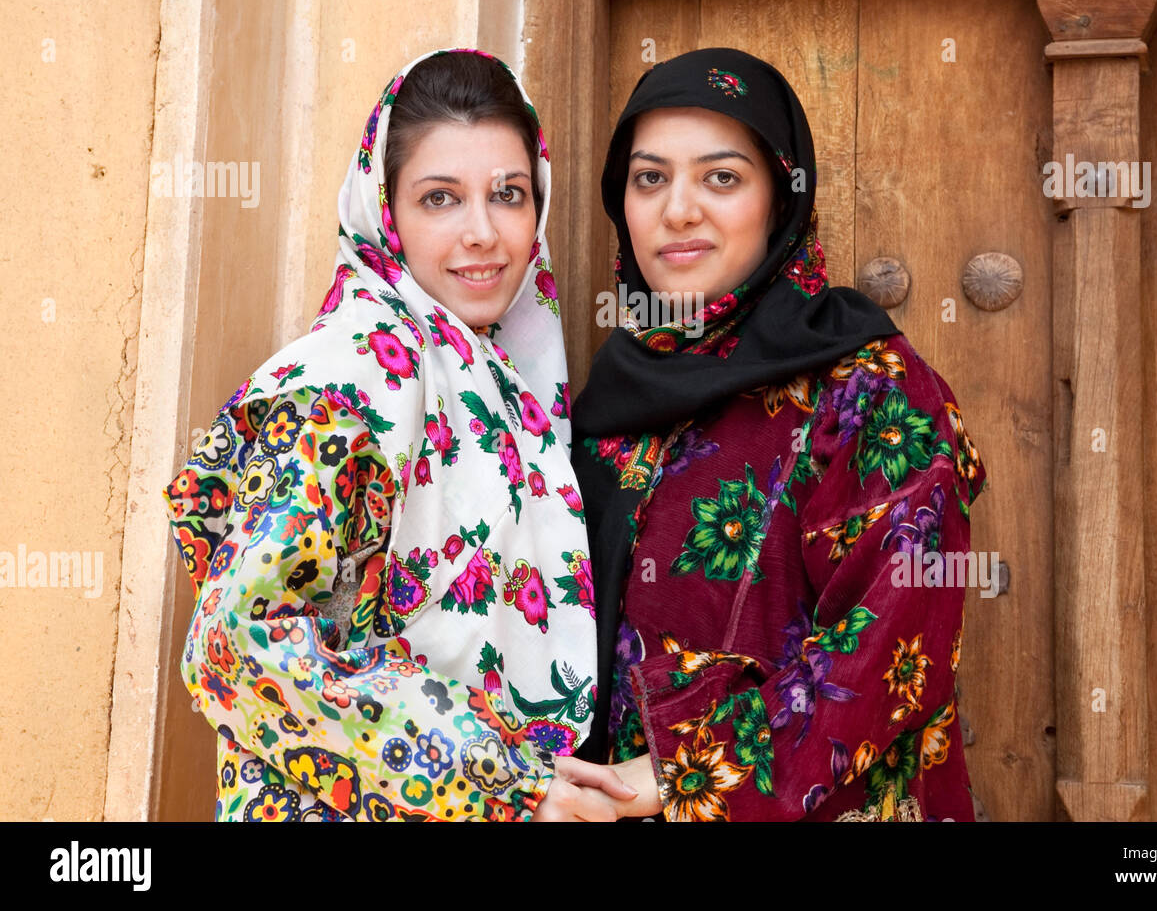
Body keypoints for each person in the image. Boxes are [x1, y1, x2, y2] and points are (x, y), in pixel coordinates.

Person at [164, 48, 635, 821]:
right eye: (441, 198)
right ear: (383, 211)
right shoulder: (349, 380)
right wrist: (499, 781)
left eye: (509, 195)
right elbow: (239, 643)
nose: (482, 232)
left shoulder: (511, 393)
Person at [571, 47, 989, 821]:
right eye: (649, 177)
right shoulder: (610, 399)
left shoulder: (868, 391)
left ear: (781, 199)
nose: (678, 210)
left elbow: (898, 646)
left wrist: (681, 771)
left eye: (721, 177)